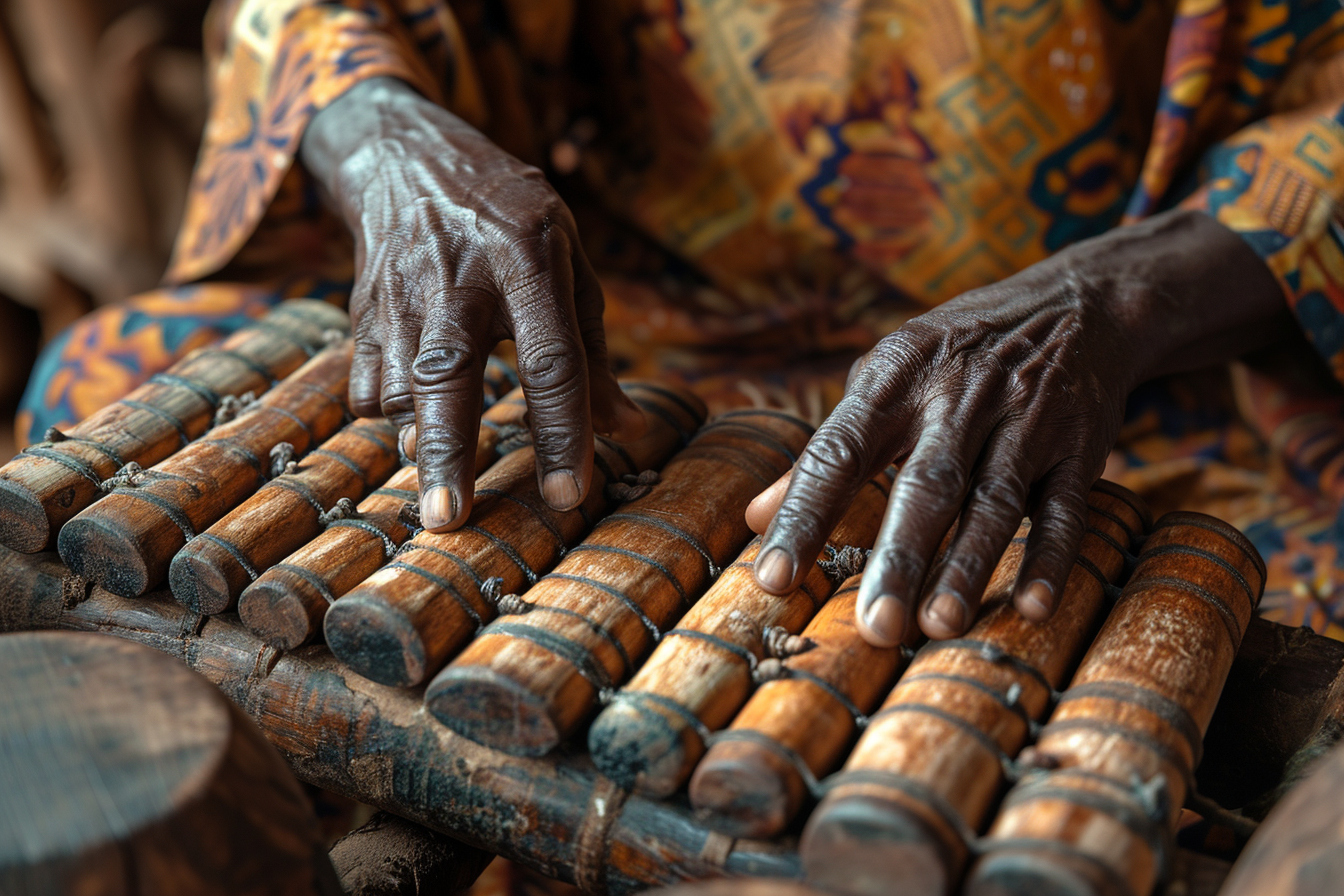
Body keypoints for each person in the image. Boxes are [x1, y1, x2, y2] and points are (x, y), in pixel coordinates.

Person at [18, 0, 1344, 647]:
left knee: (1262, 640)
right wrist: (385, 135)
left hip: (1117, 382)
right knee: (112, 376)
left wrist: (1114, 294)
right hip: (615, 338)